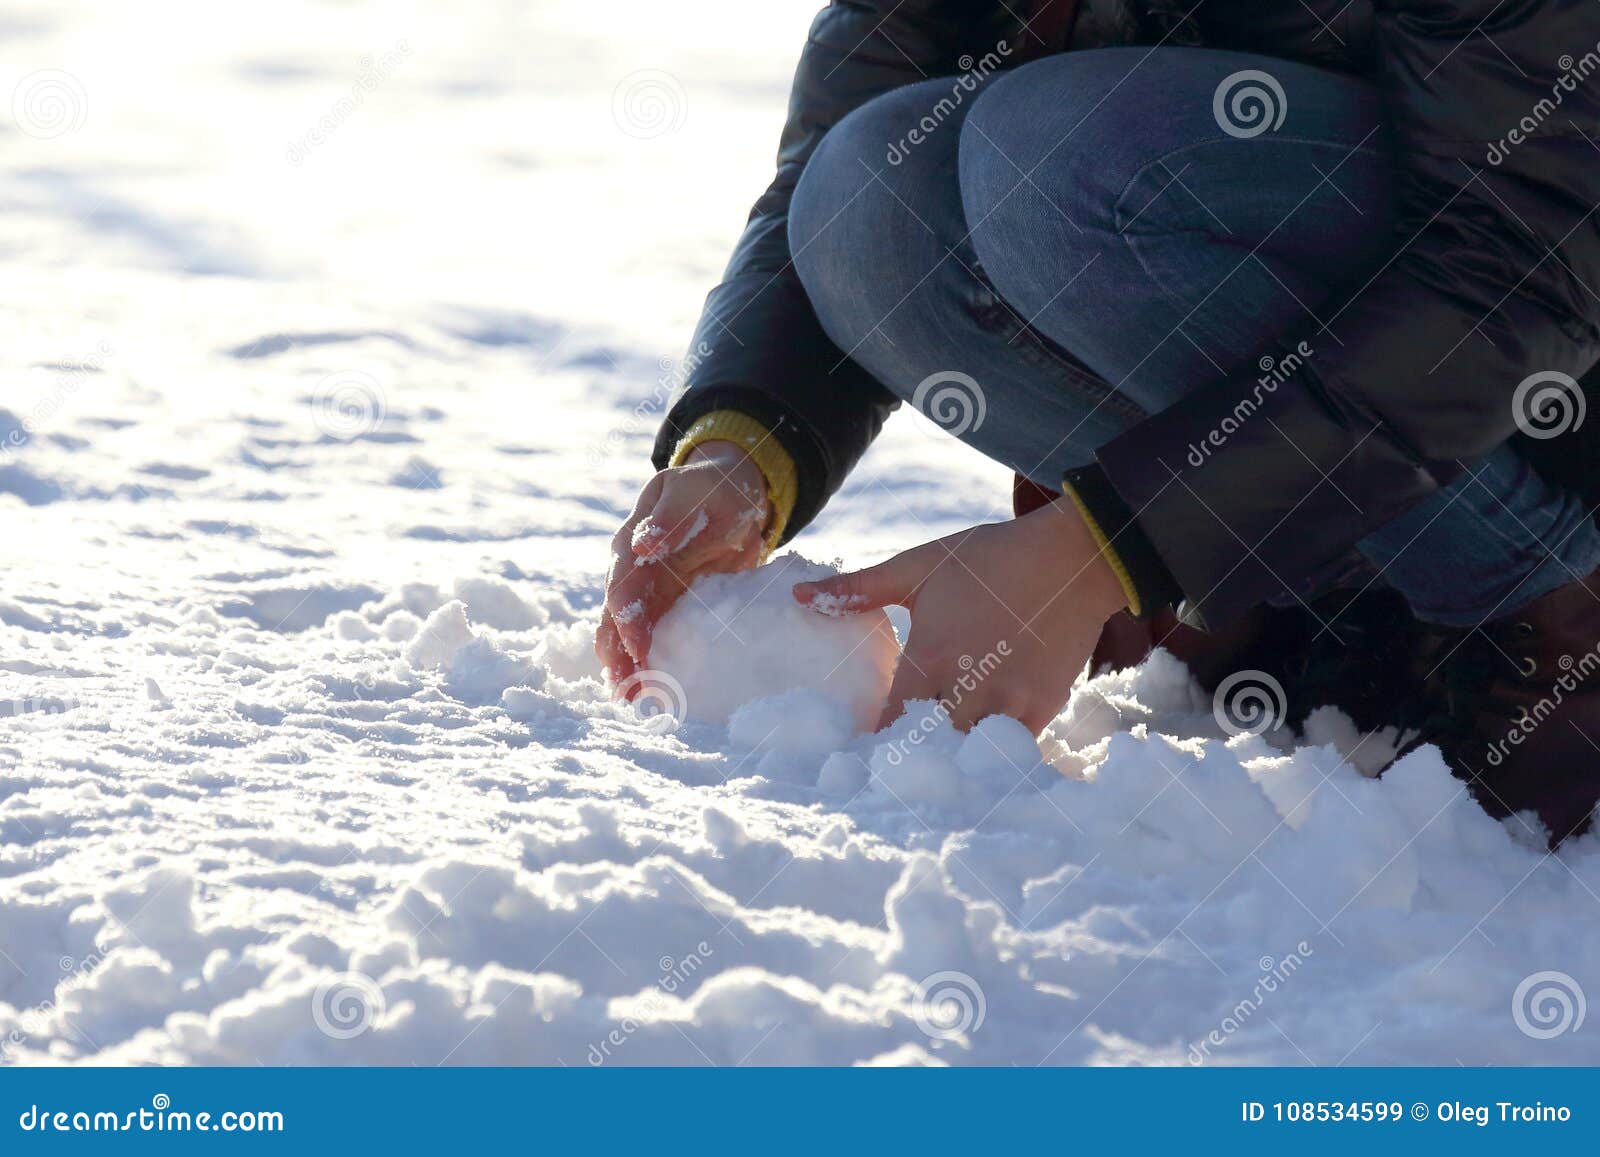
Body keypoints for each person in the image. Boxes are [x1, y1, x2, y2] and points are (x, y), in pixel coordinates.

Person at [598, 0, 1600, 845]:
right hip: (1267, 267)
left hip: (1543, 360)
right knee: (867, 191)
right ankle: (1310, 598)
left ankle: (1542, 612)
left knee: (1058, 160)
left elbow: (1519, 260)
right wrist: (740, 450)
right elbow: (849, 120)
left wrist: (1099, 546)